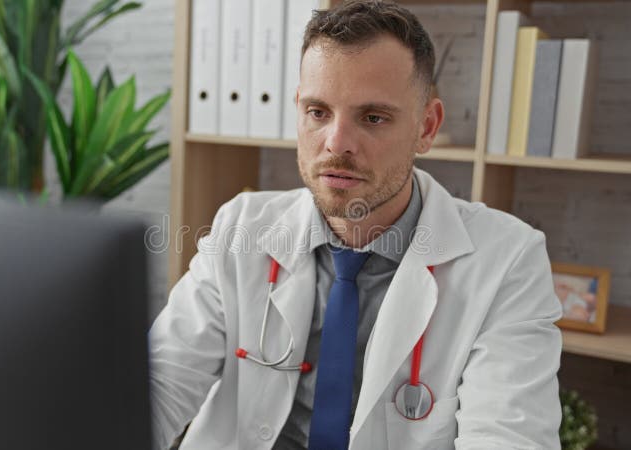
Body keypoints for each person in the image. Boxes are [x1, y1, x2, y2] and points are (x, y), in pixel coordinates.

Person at [149, 1, 563, 449]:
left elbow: (508, 437)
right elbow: (160, 385)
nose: (337, 143)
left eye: (373, 118)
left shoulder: (508, 260)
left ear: (427, 126)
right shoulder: (240, 226)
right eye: (318, 112)